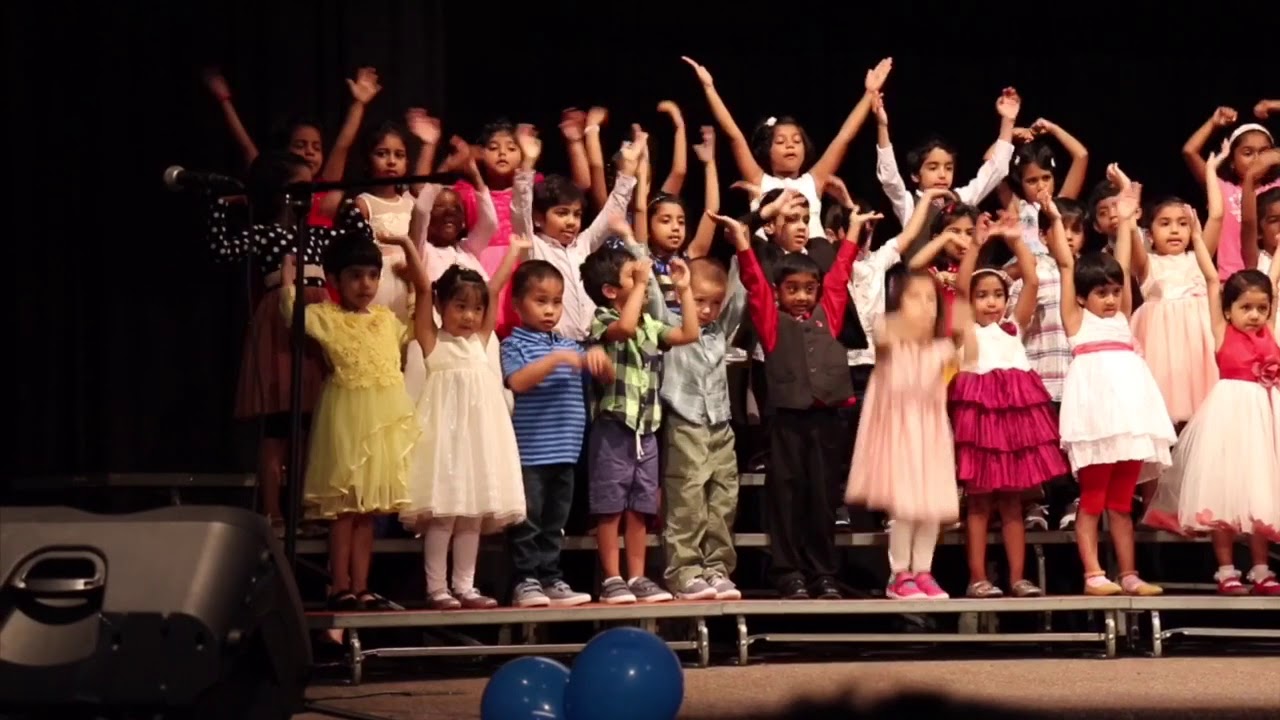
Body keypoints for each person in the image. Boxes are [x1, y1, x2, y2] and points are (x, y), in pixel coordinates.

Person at [207, 152, 369, 531]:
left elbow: (361, 239)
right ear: (281, 193)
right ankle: (272, 509)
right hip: (280, 318)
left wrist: (345, 205)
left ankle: (305, 506)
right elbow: (221, 250)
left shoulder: (317, 235)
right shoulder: (264, 234)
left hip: (316, 320)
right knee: (280, 422)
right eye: (301, 187)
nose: (309, 195)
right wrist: (221, 204)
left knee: (314, 421)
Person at [1143, 149, 1280, 596]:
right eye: (1247, 308)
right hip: (1228, 418)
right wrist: (1201, 240)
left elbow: (1273, 273)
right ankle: (1226, 569)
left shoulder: (1271, 330)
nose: (1256, 315)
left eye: (1262, 308)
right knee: (1223, 495)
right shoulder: (1220, 328)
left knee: (1260, 495)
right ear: (1228, 309)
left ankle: (1260, 568)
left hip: (1264, 420)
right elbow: (1209, 278)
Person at [734, 192, 868, 600]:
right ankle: (788, 571)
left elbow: (841, 271)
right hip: (788, 421)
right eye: (792, 289)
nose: (802, 296)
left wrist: (856, 229)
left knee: (823, 498)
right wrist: (742, 241)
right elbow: (754, 282)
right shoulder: (772, 322)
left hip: (827, 418)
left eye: (809, 289)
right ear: (779, 293)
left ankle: (823, 572)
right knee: (787, 497)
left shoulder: (830, 310)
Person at [280, 231, 421, 611]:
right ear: (336, 280)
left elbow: (414, 321)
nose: (365, 284)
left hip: (383, 418)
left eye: (372, 276)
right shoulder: (328, 317)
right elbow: (293, 312)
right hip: (346, 416)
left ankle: (362, 585)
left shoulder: (384, 320)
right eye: (355, 275)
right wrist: (290, 271)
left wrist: (410, 279)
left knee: (368, 513)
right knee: (344, 510)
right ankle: (339, 583)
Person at [1047, 185, 1174, 596]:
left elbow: (1121, 260)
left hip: (1130, 416)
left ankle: (1130, 574)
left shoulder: (1122, 316)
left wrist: (1127, 214)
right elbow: (1067, 265)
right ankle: (1093, 573)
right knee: (1094, 499)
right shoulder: (1077, 320)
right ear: (1083, 298)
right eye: (1101, 293)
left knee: (1123, 502)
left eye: (1115, 291)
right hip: (1098, 419)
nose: (1110, 298)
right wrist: (1051, 215)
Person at [399, 240, 529, 610]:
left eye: (476, 309)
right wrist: (408, 244)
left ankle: (465, 586)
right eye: (460, 307)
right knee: (443, 515)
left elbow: (494, 288)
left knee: (471, 515)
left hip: (476, 440)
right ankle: (437, 587)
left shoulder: (480, 342)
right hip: (443, 440)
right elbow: (423, 287)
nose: (470, 316)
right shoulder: (431, 342)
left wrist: (513, 253)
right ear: (441, 307)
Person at [950, 211, 1068, 598]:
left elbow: (1031, 278)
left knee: (1014, 505)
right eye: (983, 296)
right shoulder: (968, 330)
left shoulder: (1014, 326)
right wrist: (979, 242)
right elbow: (963, 285)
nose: (990, 302)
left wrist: (1017, 239)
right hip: (983, 425)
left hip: (1014, 427)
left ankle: (1018, 577)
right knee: (980, 505)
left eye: (997, 295)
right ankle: (977, 578)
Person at [581, 242, 701, 603]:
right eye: (631, 277)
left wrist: (684, 290)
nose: (643, 282)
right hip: (614, 427)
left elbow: (689, 334)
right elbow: (625, 325)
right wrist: (638, 283)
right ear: (610, 290)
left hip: (646, 430)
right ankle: (612, 577)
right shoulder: (603, 318)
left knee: (641, 508)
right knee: (610, 505)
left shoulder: (650, 324)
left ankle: (637, 577)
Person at [635, 214, 747, 601]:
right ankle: (684, 571)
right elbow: (650, 296)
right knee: (687, 500)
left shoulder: (719, 331)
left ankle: (717, 568)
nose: (708, 310)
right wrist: (659, 271)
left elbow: (742, 293)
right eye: (700, 301)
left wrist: (741, 242)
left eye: (714, 303)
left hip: (721, 425)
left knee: (723, 500)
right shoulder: (670, 322)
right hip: (686, 423)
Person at [847, 266, 975, 600]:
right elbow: (888, 328)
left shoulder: (942, 350)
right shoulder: (889, 338)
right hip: (900, 435)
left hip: (931, 435)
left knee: (930, 507)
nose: (925, 305)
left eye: (931, 299)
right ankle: (899, 573)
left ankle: (924, 570)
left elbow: (968, 349)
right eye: (914, 298)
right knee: (906, 508)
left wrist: (958, 299)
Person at [501, 260, 615, 607]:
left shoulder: (568, 346)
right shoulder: (513, 345)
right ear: (518, 304)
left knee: (555, 523)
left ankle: (550, 577)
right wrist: (557, 360)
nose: (550, 310)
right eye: (541, 301)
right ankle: (525, 580)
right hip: (531, 453)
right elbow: (517, 381)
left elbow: (605, 376)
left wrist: (598, 358)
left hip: (565, 453)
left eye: (557, 301)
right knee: (528, 522)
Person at [682, 54, 892, 238]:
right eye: (781, 142)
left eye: (797, 141)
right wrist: (709, 88)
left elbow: (844, 137)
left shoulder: (813, 181)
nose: (790, 146)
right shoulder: (759, 180)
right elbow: (735, 135)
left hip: (806, 271)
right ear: (767, 151)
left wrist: (868, 94)